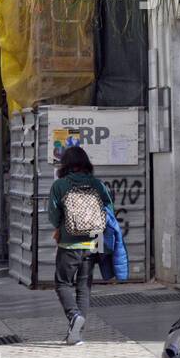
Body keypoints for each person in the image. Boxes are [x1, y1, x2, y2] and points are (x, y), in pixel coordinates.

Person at [48, 146, 115, 346]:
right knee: (84, 287)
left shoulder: (60, 186)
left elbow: (53, 215)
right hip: (93, 242)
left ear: (65, 165)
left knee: (62, 283)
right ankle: (77, 334)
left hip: (69, 244)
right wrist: (102, 245)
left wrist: (60, 227)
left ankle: (74, 316)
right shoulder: (97, 184)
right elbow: (108, 212)